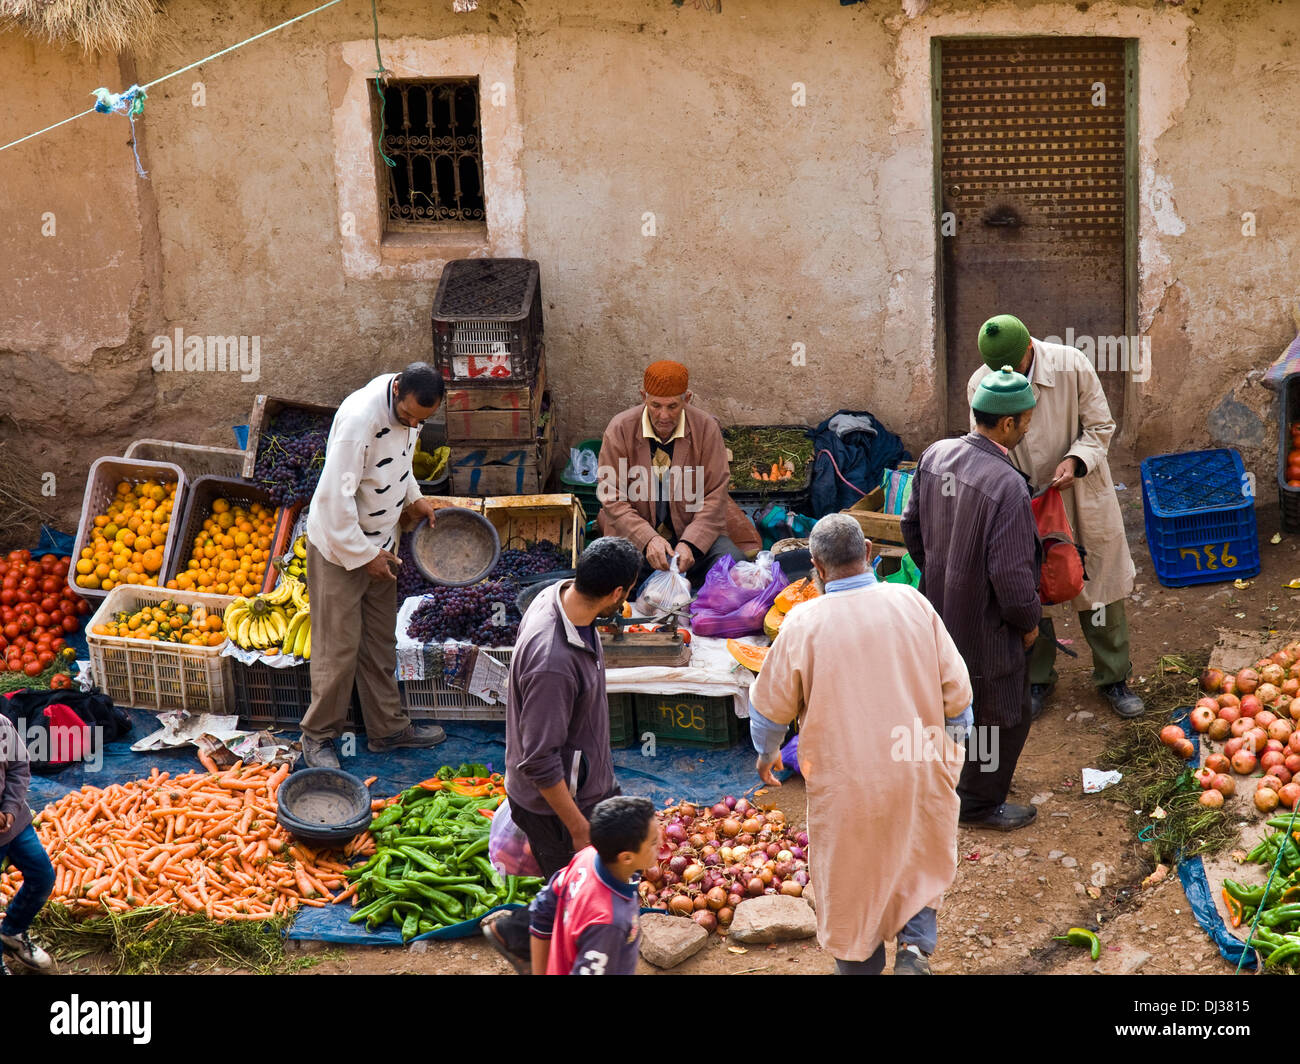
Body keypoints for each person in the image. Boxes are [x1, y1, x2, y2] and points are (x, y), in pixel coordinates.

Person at [749, 514, 973, 975]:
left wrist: (768, 753)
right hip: (914, 765)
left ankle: (860, 966)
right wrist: (951, 757)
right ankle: (913, 949)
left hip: (846, 781)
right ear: (869, 551)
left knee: (851, 878)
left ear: (816, 566)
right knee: (915, 852)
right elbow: (958, 695)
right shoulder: (912, 603)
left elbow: (770, 709)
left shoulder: (803, 622)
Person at [481, 536, 644, 973]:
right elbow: (538, 760)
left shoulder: (559, 598)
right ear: (617, 594)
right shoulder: (553, 661)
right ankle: (517, 934)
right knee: (577, 892)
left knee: (580, 882)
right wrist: (576, 827)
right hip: (559, 807)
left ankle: (520, 933)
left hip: (587, 784)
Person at [967, 314, 1142, 719]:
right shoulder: (980, 383)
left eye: (1014, 366)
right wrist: (1005, 484)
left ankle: (1114, 677)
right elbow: (982, 441)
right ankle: (1037, 680)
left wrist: (1076, 460)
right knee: (1029, 585)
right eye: (999, 371)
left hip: (1078, 491)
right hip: (1020, 498)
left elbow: (1100, 425)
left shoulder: (1071, 364)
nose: (1006, 376)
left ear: (1030, 344)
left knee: (1097, 581)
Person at [902, 366, 1043, 832]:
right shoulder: (1007, 486)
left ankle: (954, 782)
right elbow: (1011, 575)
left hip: (939, 609)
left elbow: (912, 529)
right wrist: (1027, 623)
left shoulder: (935, 455)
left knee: (948, 700)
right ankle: (980, 805)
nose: (1027, 427)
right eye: (1026, 420)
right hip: (986, 624)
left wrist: (939, 575)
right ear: (1007, 424)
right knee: (1003, 712)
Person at [299, 362, 448, 768]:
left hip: (384, 546)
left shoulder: (409, 412)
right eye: (409, 416)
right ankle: (317, 738)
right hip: (341, 548)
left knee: (381, 642)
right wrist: (364, 556)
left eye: (422, 420)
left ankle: (388, 730)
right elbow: (334, 502)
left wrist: (414, 497)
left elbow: (400, 463)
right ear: (397, 389)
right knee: (338, 647)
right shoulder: (359, 421)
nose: (413, 424)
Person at [596, 360, 760, 590]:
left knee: (733, 566)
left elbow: (715, 495)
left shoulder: (705, 428)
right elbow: (611, 497)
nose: (663, 415)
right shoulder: (620, 429)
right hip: (636, 540)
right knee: (608, 575)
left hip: (694, 537)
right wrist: (649, 539)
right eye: (655, 405)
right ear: (643, 397)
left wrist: (690, 543)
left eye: (672, 406)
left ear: (687, 399)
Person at [528, 795, 659, 976]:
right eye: (653, 842)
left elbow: (543, 908)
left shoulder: (587, 857)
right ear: (626, 857)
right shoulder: (610, 923)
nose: (660, 845)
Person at [0, 714, 56, 974]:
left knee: (42, 876)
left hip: (15, 825)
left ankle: (12, 931)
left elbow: (19, 767)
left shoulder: (1, 724)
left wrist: (10, 807)